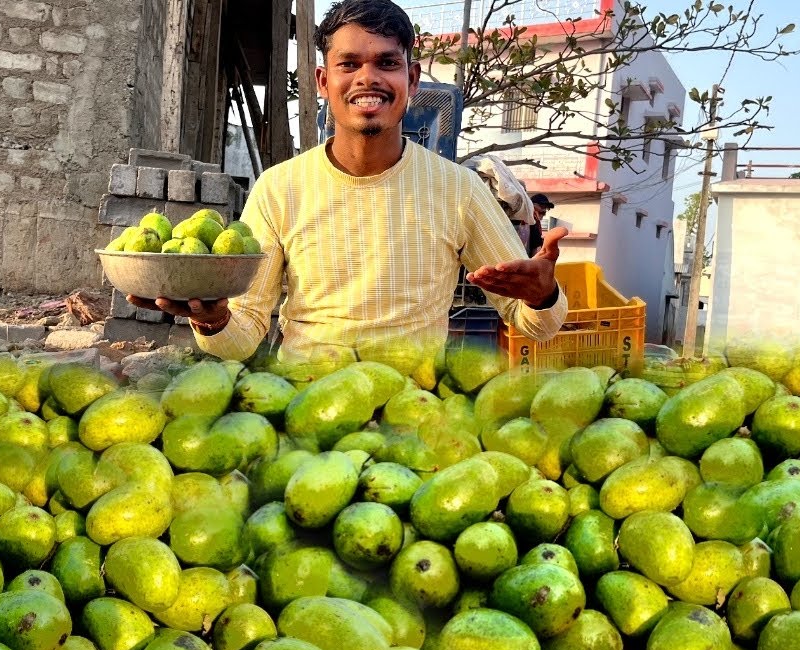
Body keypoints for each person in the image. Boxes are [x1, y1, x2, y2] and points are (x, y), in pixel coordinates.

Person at [127, 0, 567, 374]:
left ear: (412, 80)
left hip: (409, 414)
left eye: (387, 63)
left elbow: (537, 325)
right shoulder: (279, 189)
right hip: (304, 410)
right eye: (349, 64)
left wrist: (543, 296)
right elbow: (242, 337)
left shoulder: (461, 190)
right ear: (323, 81)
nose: (367, 78)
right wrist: (214, 320)